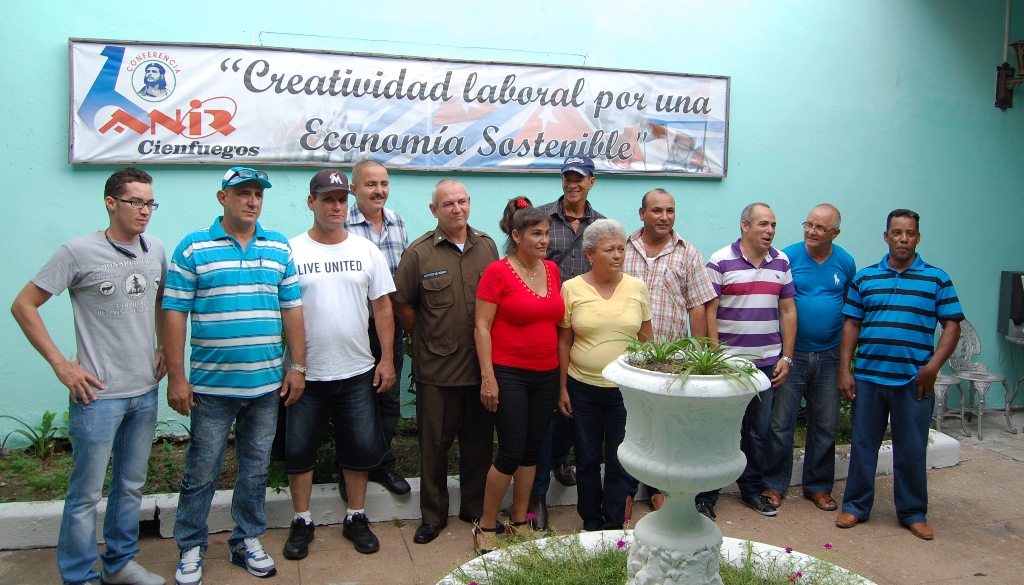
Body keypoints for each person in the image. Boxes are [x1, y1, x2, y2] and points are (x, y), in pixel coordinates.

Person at [11, 168, 167, 585]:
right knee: (85, 494)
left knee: (131, 486)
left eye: (150, 202)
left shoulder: (156, 250)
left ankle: (119, 565)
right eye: (136, 201)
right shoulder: (77, 252)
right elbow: (24, 305)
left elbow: (160, 301)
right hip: (98, 394)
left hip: (144, 391)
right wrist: (62, 364)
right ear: (110, 203)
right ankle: (79, 576)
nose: (145, 211)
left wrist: (163, 345)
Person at [163, 166, 306, 584]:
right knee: (202, 470)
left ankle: (246, 540)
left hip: (265, 386)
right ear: (222, 197)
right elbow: (174, 313)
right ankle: (191, 545)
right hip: (210, 387)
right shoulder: (193, 248)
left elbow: (292, 309)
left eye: (258, 194)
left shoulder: (278, 246)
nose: (252, 201)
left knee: (256, 469)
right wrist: (176, 377)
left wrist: (297, 366)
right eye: (243, 193)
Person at [281, 169, 396, 559]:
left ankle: (356, 516)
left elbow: (382, 308)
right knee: (299, 449)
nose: (336, 206)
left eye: (342, 199)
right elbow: (279, 311)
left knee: (361, 446)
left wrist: (387, 359)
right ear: (311, 203)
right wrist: (291, 366)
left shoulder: (366, 251)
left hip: (357, 370)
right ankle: (301, 520)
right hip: (305, 374)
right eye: (327, 199)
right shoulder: (291, 251)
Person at [836, 209, 962, 541]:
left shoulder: (936, 278)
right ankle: (856, 507)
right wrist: (845, 370)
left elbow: (952, 325)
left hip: (914, 382)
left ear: (917, 237)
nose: (902, 238)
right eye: (896, 232)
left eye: (909, 233)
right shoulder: (865, 278)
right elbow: (851, 324)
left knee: (911, 448)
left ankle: (912, 512)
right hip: (869, 378)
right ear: (886, 236)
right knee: (863, 444)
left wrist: (932, 368)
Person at [392, 179, 499, 545]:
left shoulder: (487, 246)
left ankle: (472, 507)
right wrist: (425, 337)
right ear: (434, 210)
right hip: (437, 370)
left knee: (479, 444)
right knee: (434, 447)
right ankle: (433, 516)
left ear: (469, 204)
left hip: (480, 368)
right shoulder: (419, 253)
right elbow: (402, 302)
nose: (457, 209)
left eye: (462, 202)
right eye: (448, 204)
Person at [472, 197, 564, 553]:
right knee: (510, 451)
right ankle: (487, 524)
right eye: (536, 234)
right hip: (508, 373)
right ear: (516, 235)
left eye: (546, 234)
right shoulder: (498, 271)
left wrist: (559, 381)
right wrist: (488, 376)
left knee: (531, 451)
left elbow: (556, 326)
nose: (544, 240)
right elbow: (481, 326)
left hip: (545, 373)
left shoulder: (552, 271)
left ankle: (520, 520)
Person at [622, 188, 716, 515]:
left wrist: (701, 357)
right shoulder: (623, 248)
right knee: (629, 423)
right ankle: (626, 490)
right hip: (628, 358)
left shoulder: (688, 253)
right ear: (642, 213)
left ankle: (661, 487)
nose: (664, 217)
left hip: (670, 361)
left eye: (670, 211)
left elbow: (698, 307)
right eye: (657, 211)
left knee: (665, 425)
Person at [557, 219, 654, 531]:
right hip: (582, 387)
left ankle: (613, 523)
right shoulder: (571, 289)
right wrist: (562, 389)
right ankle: (591, 520)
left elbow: (647, 340)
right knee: (585, 458)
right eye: (609, 249)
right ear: (589, 254)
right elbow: (564, 340)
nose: (618, 255)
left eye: (621, 248)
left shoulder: (637, 288)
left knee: (619, 458)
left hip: (625, 392)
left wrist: (650, 384)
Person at [762, 204, 856, 513]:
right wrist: (784, 354)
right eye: (808, 224)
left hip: (829, 355)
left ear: (835, 233)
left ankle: (818, 486)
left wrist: (845, 363)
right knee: (781, 423)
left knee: (826, 424)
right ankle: (774, 485)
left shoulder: (845, 262)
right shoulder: (787, 258)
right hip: (792, 354)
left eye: (819, 228)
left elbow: (849, 313)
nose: (811, 231)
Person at [705, 202, 796, 517]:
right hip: (728, 366)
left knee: (758, 433)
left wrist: (787, 356)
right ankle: (705, 497)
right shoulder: (720, 261)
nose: (769, 230)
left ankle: (752, 490)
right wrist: (715, 358)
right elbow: (709, 311)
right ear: (745, 226)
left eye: (772, 225)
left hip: (766, 366)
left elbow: (787, 310)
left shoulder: (781, 262)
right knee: (720, 432)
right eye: (763, 224)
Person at [530, 154, 606, 529]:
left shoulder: (602, 226)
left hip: (585, 332)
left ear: (591, 182)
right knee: (545, 409)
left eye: (580, 178)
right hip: (545, 328)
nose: (573, 184)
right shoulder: (542, 219)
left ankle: (561, 457)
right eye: (567, 178)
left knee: (573, 402)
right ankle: (538, 493)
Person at [344, 159, 411, 498]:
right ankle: (353, 468)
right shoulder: (339, 221)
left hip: (389, 326)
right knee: (353, 401)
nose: (379, 190)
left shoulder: (397, 222)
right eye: (371, 184)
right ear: (354, 189)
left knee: (388, 399)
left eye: (384, 183)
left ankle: (382, 464)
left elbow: (402, 278)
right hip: (352, 328)